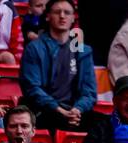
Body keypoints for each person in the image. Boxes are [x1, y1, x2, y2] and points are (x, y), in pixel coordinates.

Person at [19, 0, 98, 133]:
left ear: (73, 18)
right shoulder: (34, 48)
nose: (62, 16)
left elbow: (89, 92)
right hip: (43, 111)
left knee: (105, 125)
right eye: (57, 12)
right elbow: (32, 88)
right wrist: (58, 109)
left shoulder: (83, 51)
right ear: (48, 16)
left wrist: (77, 109)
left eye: (67, 12)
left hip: (75, 112)